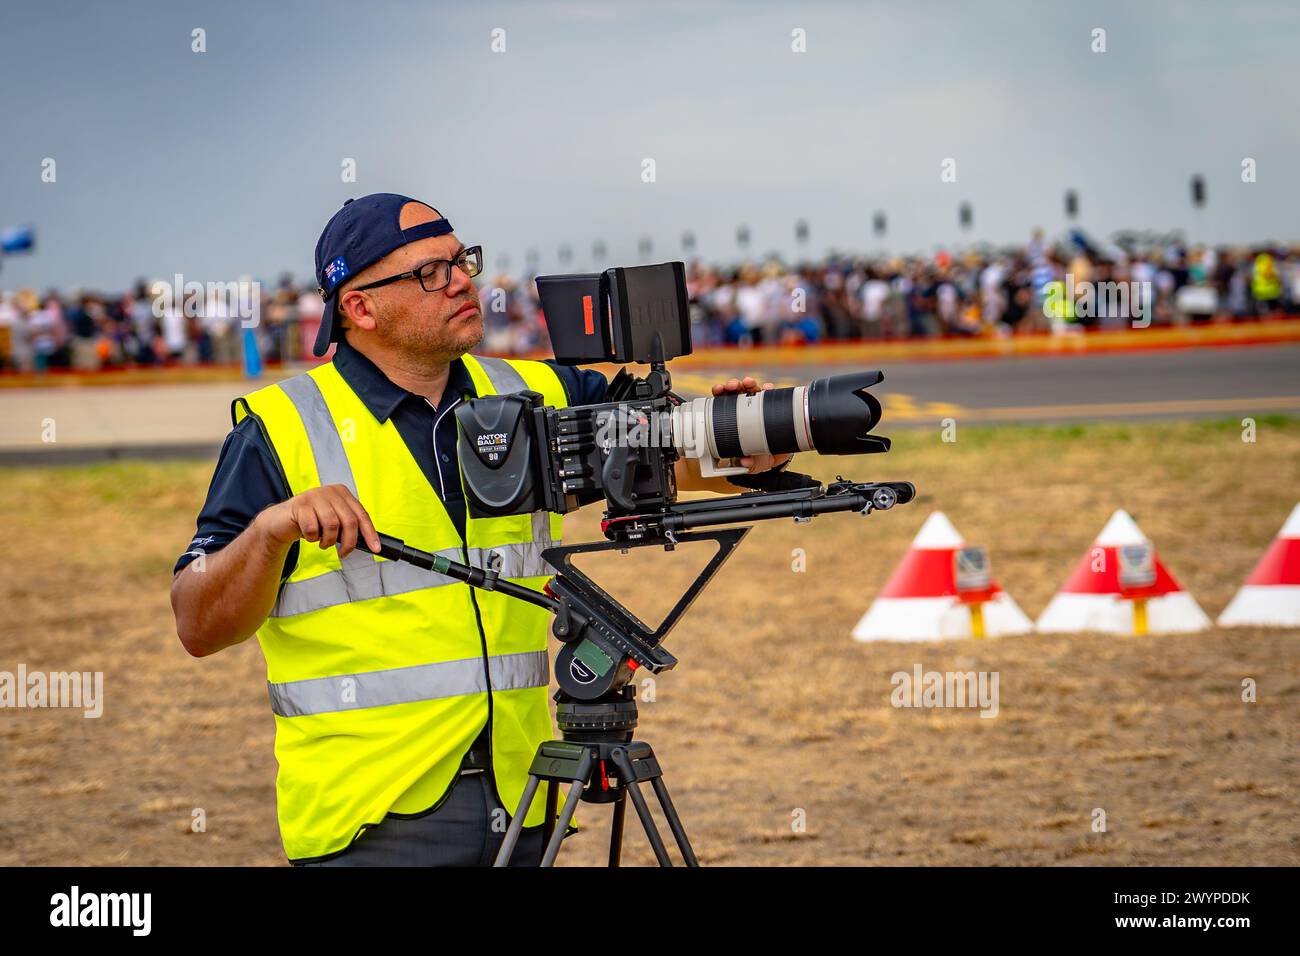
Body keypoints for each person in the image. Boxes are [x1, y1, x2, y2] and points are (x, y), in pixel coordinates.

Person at [170, 193, 789, 866]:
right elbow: (199, 624)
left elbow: (668, 444)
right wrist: (270, 532)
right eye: (429, 272)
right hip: (373, 822)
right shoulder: (282, 428)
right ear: (360, 307)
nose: (464, 281)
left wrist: (755, 443)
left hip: (525, 801)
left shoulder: (535, 392)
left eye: (461, 260)